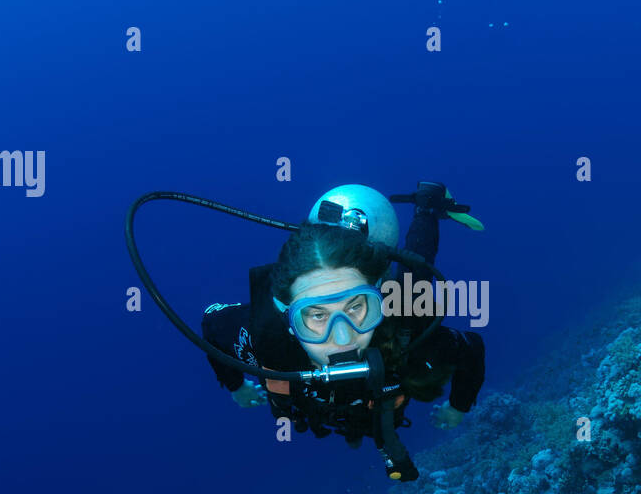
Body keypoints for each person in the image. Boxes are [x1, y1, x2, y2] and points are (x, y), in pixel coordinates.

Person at [200, 182, 486, 461]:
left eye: (356, 307)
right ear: (288, 318)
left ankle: (427, 207)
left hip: (397, 307)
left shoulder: (405, 328)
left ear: (379, 302)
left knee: (414, 281)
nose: (342, 338)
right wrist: (235, 385)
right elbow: (211, 324)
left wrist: (458, 406)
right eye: (317, 314)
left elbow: (471, 349)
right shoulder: (263, 341)